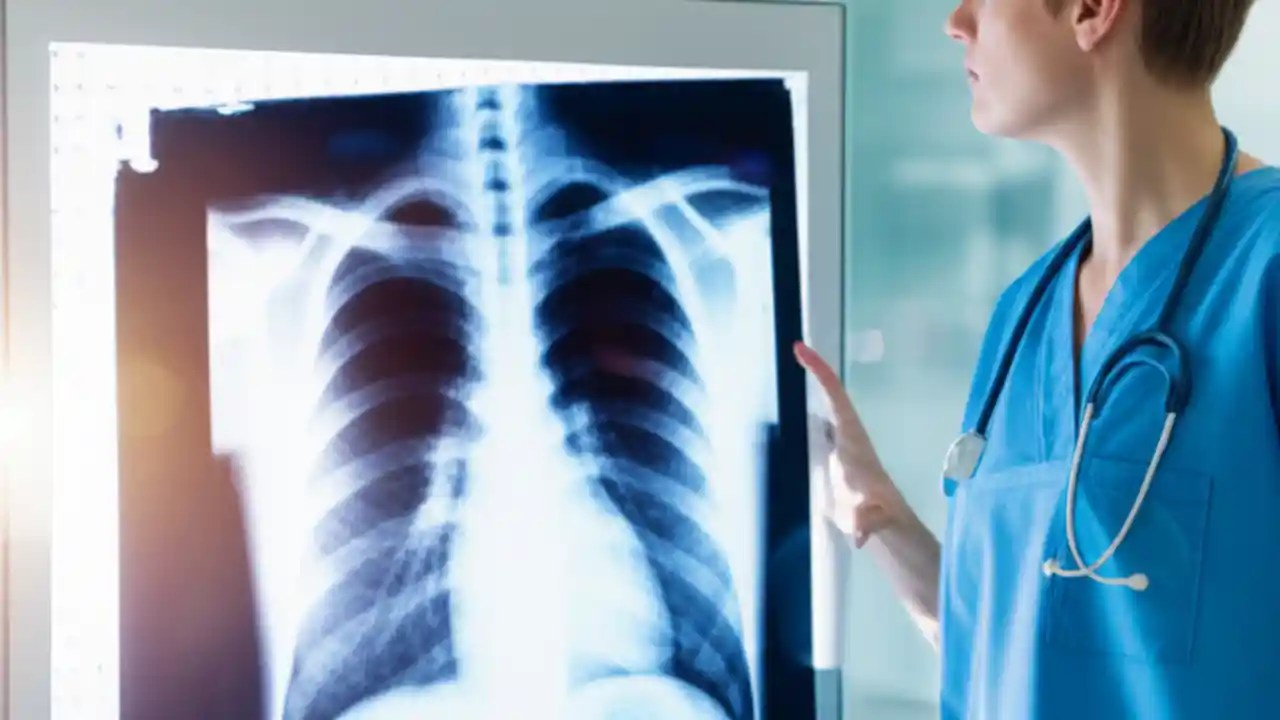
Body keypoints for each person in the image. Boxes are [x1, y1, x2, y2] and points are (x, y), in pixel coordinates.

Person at [794, 0, 1280, 717]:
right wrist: (882, 516)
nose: (955, 21)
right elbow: (1019, 649)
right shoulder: (1024, 311)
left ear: (1091, 9)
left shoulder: (1264, 273)